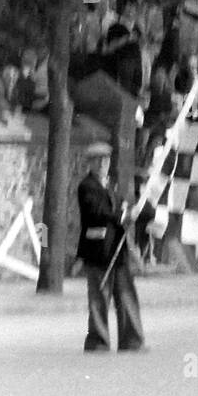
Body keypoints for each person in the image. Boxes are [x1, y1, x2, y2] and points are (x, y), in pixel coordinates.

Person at [77, 141, 146, 352]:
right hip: (98, 251)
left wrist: (132, 211)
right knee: (99, 298)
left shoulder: (111, 185)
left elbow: (120, 208)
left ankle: (132, 341)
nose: (102, 165)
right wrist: (123, 216)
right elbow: (97, 212)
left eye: (105, 160)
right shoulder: (87, 187)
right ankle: (98, 342)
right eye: (97, 161)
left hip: (118, 249)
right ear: (89, 164)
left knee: (126, 296)